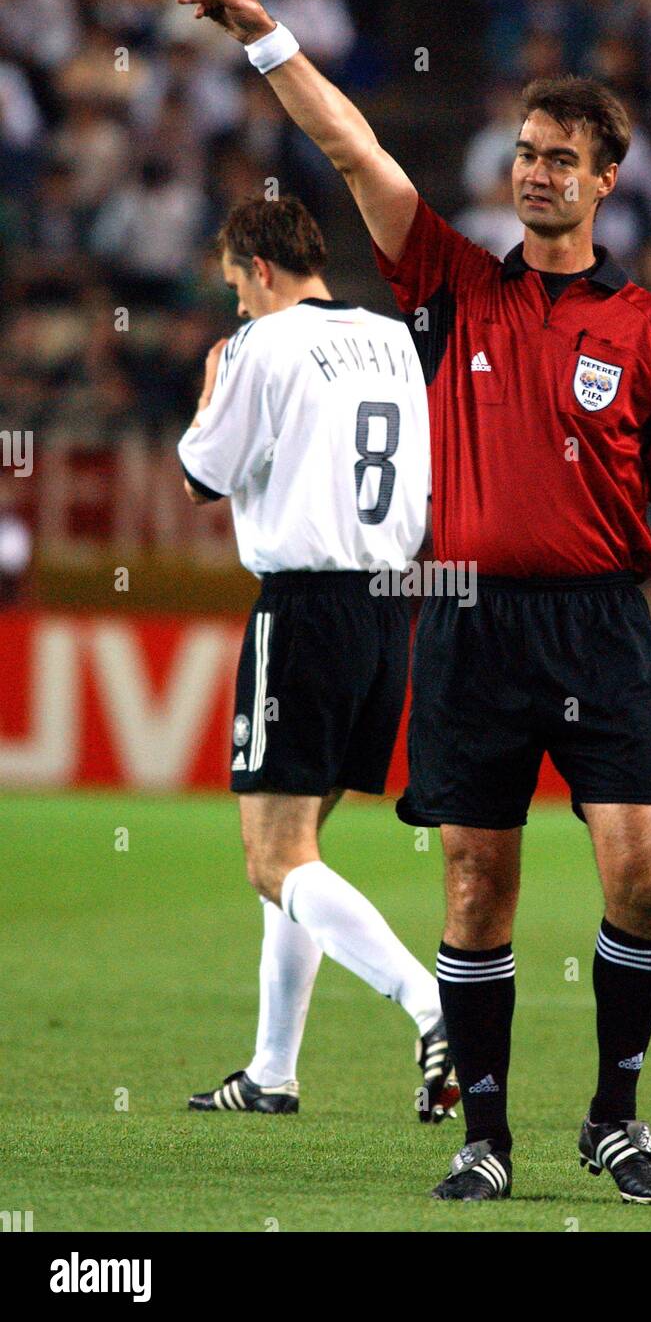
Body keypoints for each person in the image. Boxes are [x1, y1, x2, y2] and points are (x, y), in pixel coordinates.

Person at [178, 0, 651, 1204]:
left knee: (642, 870)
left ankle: (613, 1114)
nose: (534, 173)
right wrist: (267, 42)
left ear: (604, 181)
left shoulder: (647, 328)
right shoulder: (450, 288)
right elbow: (356, 155)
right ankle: (483, 1134)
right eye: (525, 153)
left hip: (601, 624)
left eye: (560, 159)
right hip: (470, 624)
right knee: (476, 880)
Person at [178, 193, 458, 1126]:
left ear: (260, 270)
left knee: (272, 859)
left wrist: (212, 394)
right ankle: (271, 1071)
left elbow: (200, 479)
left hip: (304, 609)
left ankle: (431, 1005)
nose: (235, 312)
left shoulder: (265, 343)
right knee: (297, 847)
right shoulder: (390, 340)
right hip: (387, 613)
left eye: (234, 292)